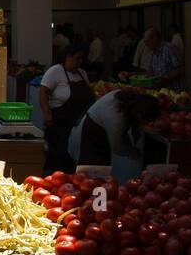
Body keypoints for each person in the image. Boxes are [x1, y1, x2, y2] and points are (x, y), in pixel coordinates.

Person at [71, 88, 162, 171]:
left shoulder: (129, 100)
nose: (147, 125)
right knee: (93, 171)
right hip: (92, 134)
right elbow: (117, 147)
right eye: (146, 122)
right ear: (139, 115)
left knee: (100, 170)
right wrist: (132, 152)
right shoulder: (116, 117)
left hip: (99, 127)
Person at [39, 43, 95, 174]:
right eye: (77, 58)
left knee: (73, 159)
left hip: (78, 124)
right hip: (59, 123)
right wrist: (47, 114)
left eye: (82, 59)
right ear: (68, 57)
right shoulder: (55, 71)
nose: (79, 62)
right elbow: (43, 92)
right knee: (57, 157)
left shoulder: (82, 74)